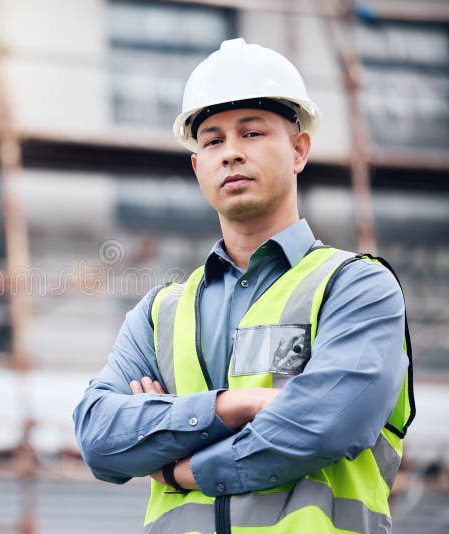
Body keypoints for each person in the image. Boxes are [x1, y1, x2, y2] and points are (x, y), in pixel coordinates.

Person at [73, 38, 414, 534]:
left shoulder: (356, 287)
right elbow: (98, 435)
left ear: (299, 150)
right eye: (212, 141)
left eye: (252, 133)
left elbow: (329, 423)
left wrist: (184, 466)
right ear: (198, 166)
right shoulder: (160, 313)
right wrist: (236, 405)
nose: (231, 153)